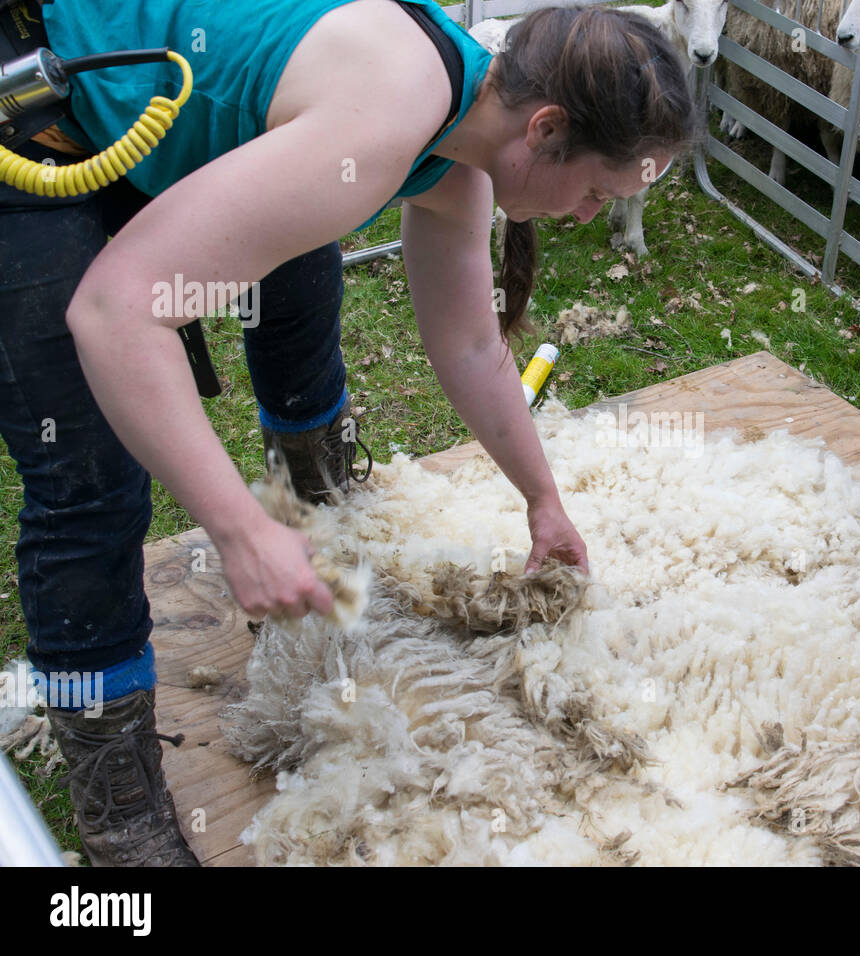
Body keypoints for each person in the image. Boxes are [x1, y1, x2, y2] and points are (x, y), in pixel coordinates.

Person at [0, 1, 695, 865]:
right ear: (546, 126)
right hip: (37, 113)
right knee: (89, 479)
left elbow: (474, 345)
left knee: (299, 288)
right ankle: (120, 814)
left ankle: (316, 529)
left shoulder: (456, 156)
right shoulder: (382, 126)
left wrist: (542, 499)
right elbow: (112, 312)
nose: (592, 214)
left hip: (172, 109)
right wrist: (239, 528)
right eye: (598, 189)